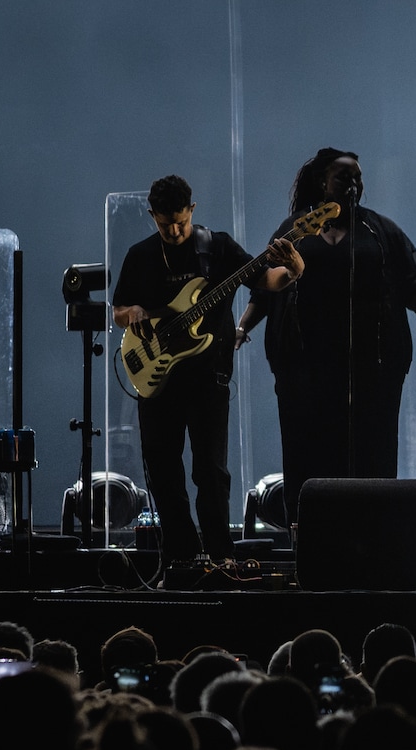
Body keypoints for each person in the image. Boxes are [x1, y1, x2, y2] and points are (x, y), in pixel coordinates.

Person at [238, 148, 416, 523]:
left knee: (372, 446)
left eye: (357, 177)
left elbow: (413, 282)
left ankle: (373, 535)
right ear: (322, 182)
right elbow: (265, 287)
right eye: (343, 177)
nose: (353, 183)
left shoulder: (380, 230)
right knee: (306, 447)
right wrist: (242, 327)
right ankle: (308, 535)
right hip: (305, 364)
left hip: (372, 363)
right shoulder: (294, 229)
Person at [112, 175, 304, 572]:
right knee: (164, 472)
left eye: (180, 221)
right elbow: (118, 311)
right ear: (153, 216)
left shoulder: (216, 248)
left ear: (192, 210)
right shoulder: (140, 255)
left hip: (207, 378)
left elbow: (266, 281)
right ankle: (179, 557)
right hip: (157, 375)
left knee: (211, 472)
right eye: (165, 224)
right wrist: (130, 313)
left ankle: (222, 556)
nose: (175, 231)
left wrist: (294, 271)